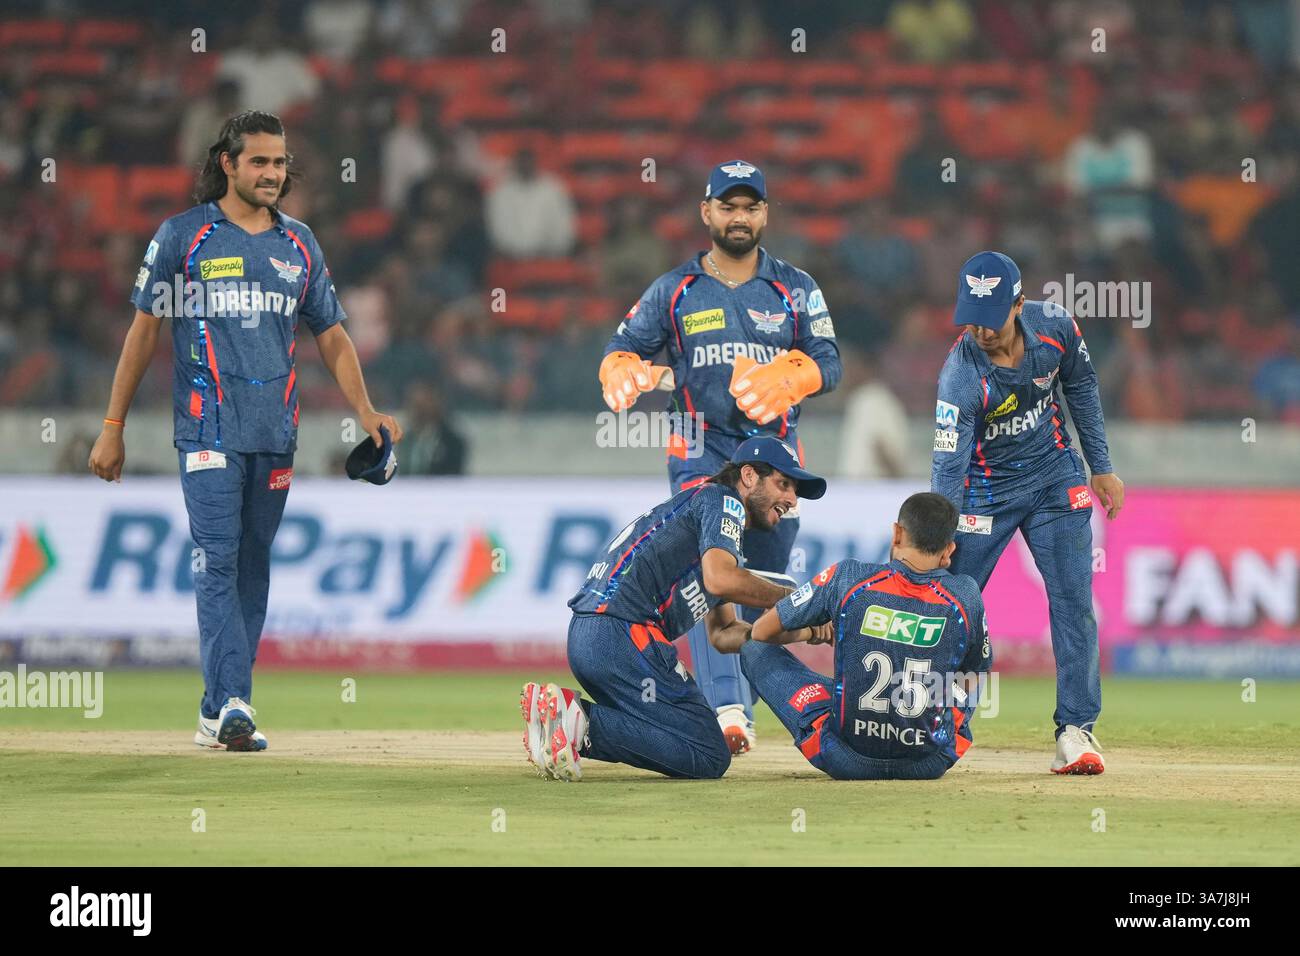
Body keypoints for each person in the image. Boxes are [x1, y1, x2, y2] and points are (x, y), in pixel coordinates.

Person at [87, 111, 402, 752]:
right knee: (217, 558)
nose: (272, 174)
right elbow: (143, 332)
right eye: (259, 161)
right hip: (206, 428)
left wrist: (366, 411)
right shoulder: (184, 237)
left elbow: (334, 336)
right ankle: (234, 702)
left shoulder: (300, 245)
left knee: (252, 564)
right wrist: (112, 426)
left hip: (276, 434)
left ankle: (217, 708)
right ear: (227, 164)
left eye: (280, 162)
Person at [597, 160, 842, 754]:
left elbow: (830, 362)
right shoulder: (674, 289)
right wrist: (621, 369)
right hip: (699, 455)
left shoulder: (796, 287)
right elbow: (622, 347)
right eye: (727, 207)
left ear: (765, 214)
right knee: (712, 579)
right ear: (706, 213)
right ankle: (727, 709)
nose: (739, 217)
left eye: (750, 206)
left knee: (763, 582)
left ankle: (744, 704)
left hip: (777, 467)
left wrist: (795, 373)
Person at [520, 437, 826, 782]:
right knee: (708, 753)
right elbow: (721, 580)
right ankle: (577, 721)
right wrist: (800, 600)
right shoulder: (723, 501)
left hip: (595, 637)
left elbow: (724, 634)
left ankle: (568, 721)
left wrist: (807, 630)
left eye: (795, 491)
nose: (791, 499)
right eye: (783, 484)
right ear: (750, 476)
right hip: (622, 634)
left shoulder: (713, 522)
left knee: (698, 746)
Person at [930, 250, 1124, 774]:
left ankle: (1076, 731)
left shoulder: (1058, 326)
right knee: (951, 607)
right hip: (982, 495)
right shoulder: (960, 378)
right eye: (970, 317)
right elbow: (948, 467)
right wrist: (939, 536)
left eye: (991, 318)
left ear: (1018, 304)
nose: (980, 330)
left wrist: (1101, 466)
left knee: (1074, 603)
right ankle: (940, 720)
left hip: (1055, 479)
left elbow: (1081, 386)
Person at [711, 492, 990, 780]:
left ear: (897, 534)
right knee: (976, 674)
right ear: (948, 551)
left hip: (845, 758)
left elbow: (762, 630)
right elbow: (974, 674)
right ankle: (936, 732)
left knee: (754, 648)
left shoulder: (848, 577)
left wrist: (811, 630)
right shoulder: (966, 595)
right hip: (928, 762)